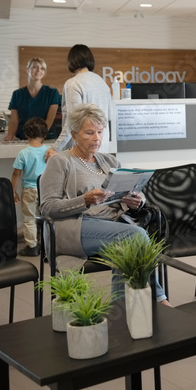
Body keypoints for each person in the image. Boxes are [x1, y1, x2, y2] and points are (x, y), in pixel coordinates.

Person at [40, 104, 167, 303]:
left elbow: (131, 194)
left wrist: (137, 201)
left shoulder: (110, 161)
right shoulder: (60, 162)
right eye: (89, 132)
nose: (97, 138)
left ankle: (120, 308)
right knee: (136, 236)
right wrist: (85, 200)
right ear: (74, 135)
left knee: (126, 249)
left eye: (100, 132)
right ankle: (158, 299)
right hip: (76, 226)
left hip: (111, 225)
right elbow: (47, 207)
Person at [51, 44, 112, 155]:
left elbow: (72, 122)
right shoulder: (103, 83)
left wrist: (56, 148)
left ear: (71, 61)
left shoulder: (73, 84)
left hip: (82, 150)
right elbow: (109, 118)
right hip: (102, 148)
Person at [11, 117, 50, 257]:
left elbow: (16, 173)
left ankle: (32, 246)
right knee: (46, 217)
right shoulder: (49, 151)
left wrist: (12, 190)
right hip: (46, 189)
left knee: (29, 218)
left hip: (29, 190)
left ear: (26, 134)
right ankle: (46, 246)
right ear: (45, 134)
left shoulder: (23, 153)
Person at [3, 57, 61, 141]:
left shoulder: (52, 92)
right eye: (35, 67)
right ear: (28, 69)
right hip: (24, 138)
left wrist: (39, 137)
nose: (38, 70)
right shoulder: (17, 94)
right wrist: (10, 135)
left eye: (42, 68)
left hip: (46, 138)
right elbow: (14, 120)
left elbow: (49, 119)